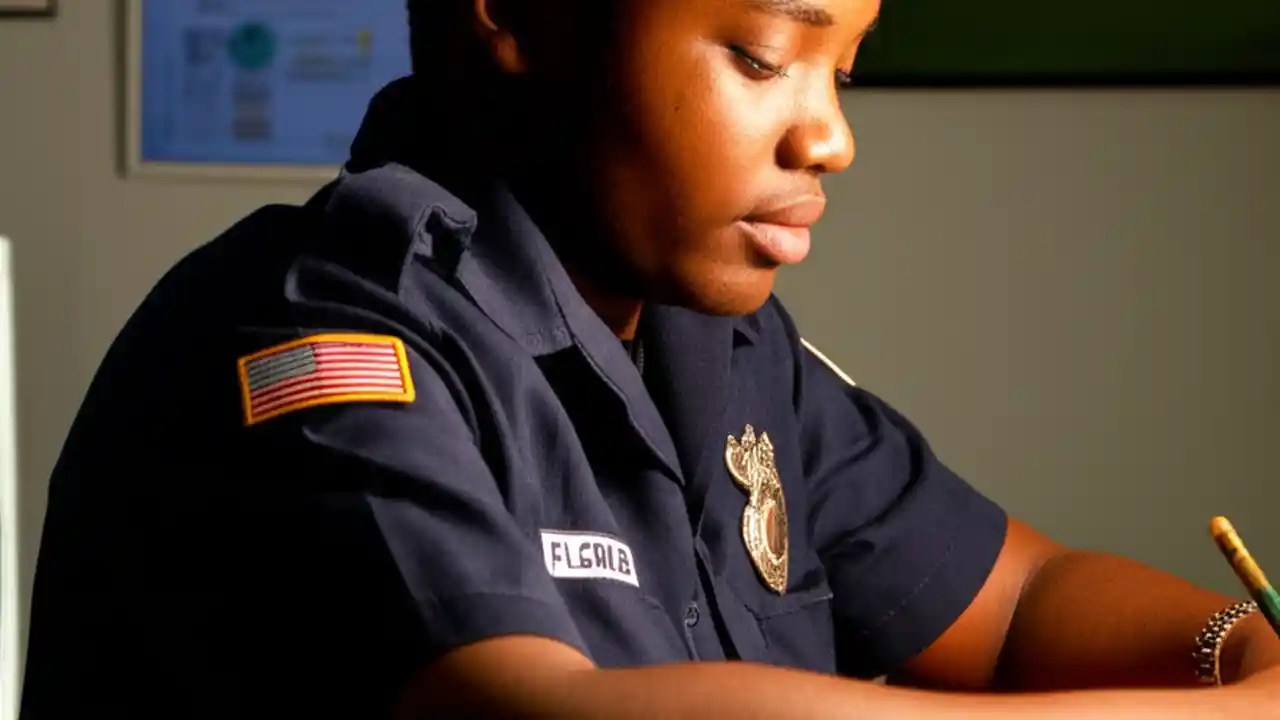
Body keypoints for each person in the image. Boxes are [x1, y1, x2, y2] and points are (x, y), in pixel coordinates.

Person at [19, 0, 1280, 717]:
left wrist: (1236, 649)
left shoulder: (719, 351)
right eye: (761, 57)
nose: (830, 137)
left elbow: (1009, 607)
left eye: (844, 69)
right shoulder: (317, 335)